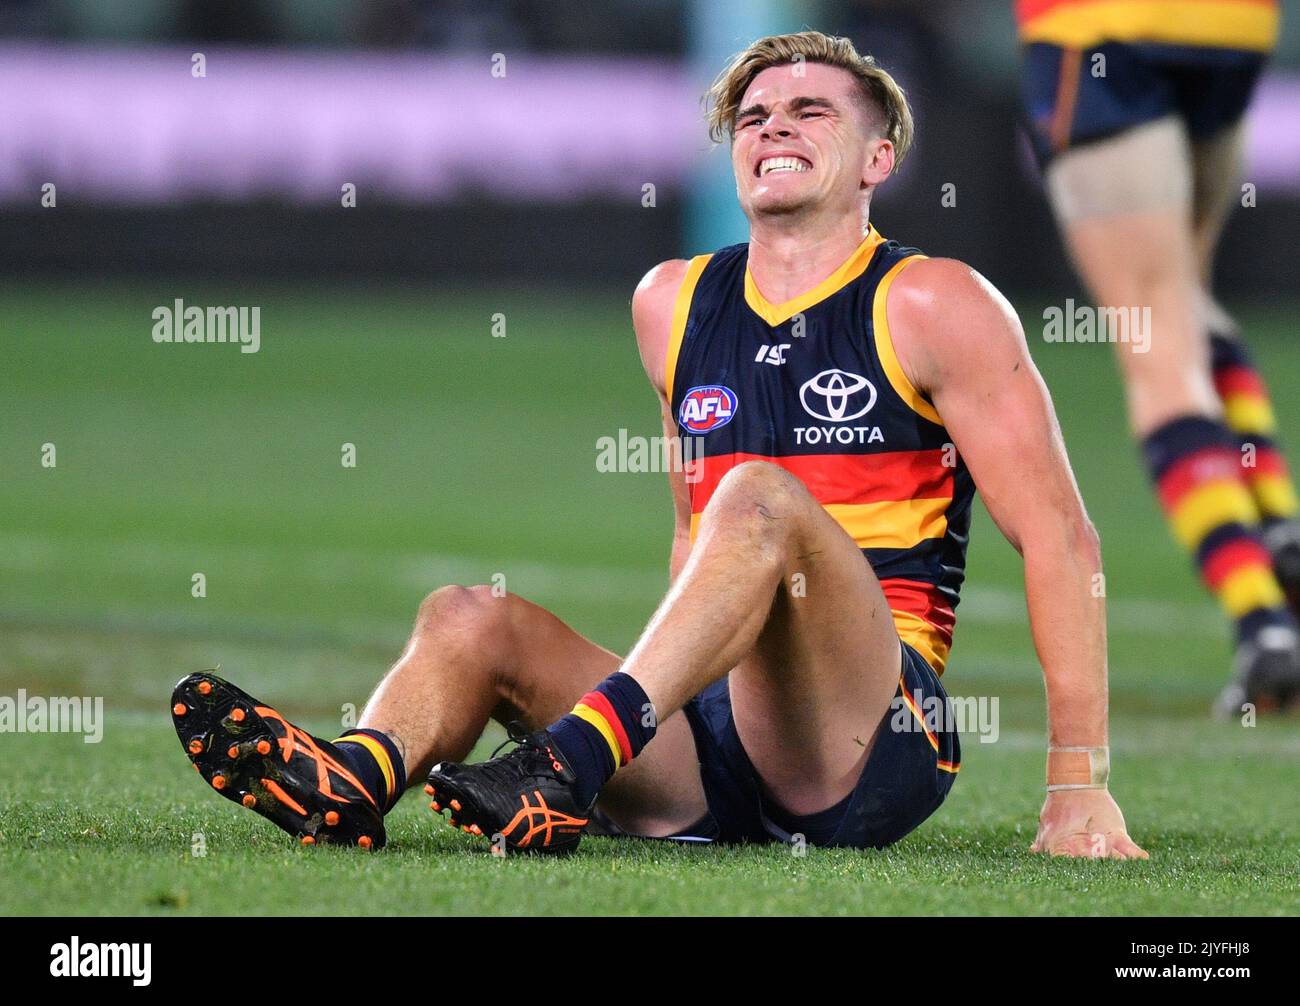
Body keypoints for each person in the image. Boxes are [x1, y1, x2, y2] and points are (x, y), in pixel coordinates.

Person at [171, 31, 1144, 859]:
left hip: (870, 739)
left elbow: (1061, 537)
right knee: (470, 615)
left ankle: (565, 768)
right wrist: (675, 710)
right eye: (755, 117)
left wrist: (1076, 779)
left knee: (761, 496)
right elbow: (693, 542)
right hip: (712, 733)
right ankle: (355, 772)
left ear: (877, 160)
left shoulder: (935, 301)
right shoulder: (670, 303)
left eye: (810, 111)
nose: (773, 127)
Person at [1018, 0, 1299, 715]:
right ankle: (1280, 530)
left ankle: (1263, 622)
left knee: (1156, 344)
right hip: (1232, 28)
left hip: (1101, 29)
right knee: (1184, 296)